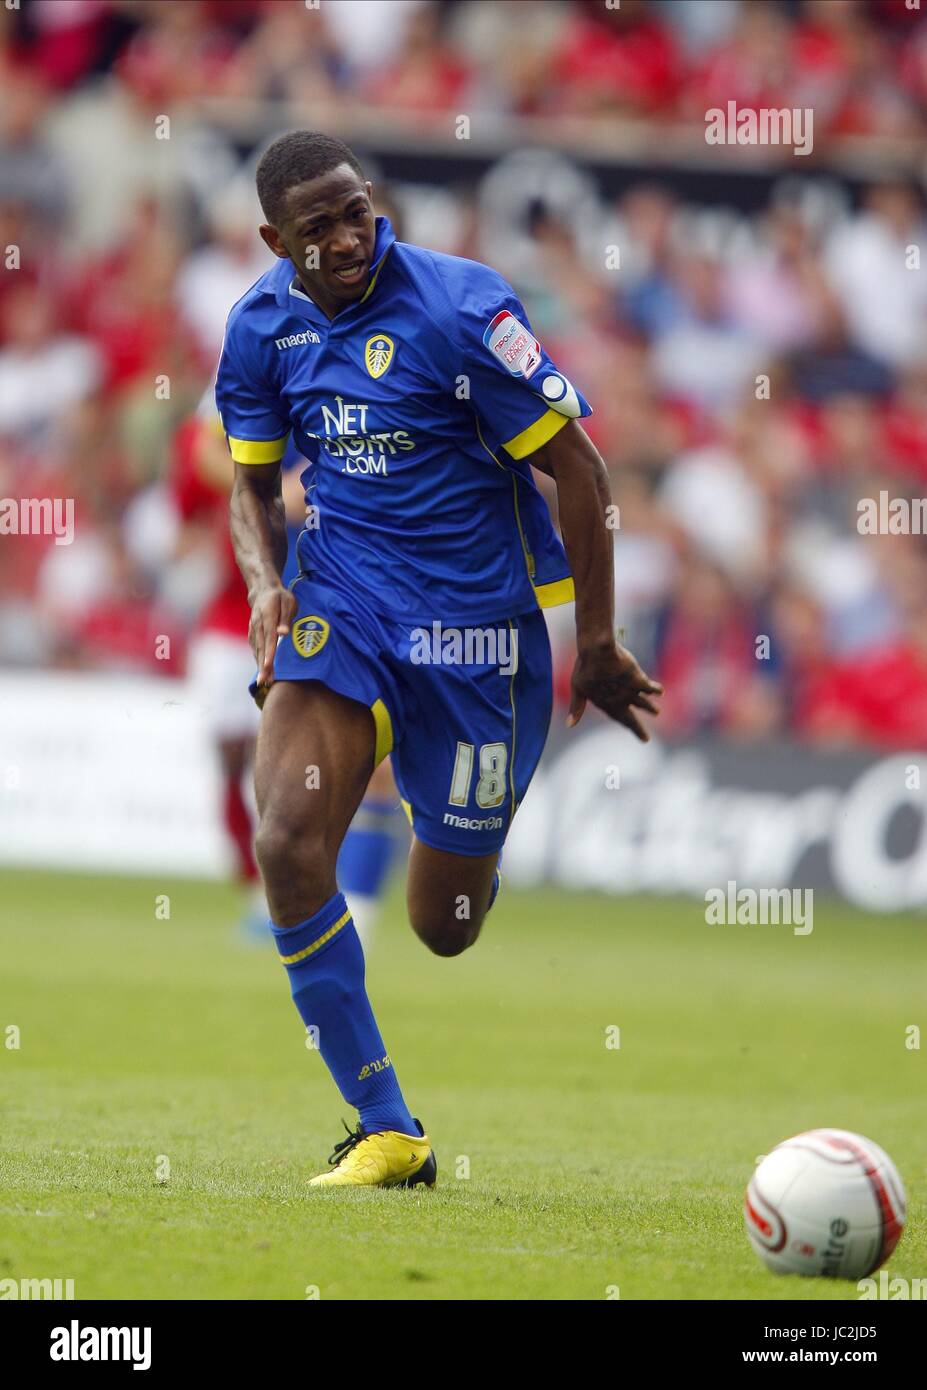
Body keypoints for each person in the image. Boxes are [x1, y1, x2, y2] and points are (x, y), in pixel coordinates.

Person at [215, 130, 663, 1188]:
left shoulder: (464, 311)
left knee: (443, 927)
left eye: (357, 210)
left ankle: (469, 848)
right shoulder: (260, 329)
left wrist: (594, 640)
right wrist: (266, 583)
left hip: (478, 640)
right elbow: (251, 479)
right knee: (283, 831)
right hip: (344, 610)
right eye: (317, 226)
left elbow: (581, 471)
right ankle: (387, 1125)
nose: (347, 237)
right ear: (277, 240)